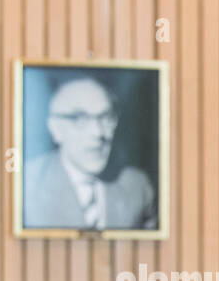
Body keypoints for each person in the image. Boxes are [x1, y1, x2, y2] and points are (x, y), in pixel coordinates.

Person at [24, 76, 156, 231]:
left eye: (106, 118)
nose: (98, 132)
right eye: (80, 119)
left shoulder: (137, 186)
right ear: (55, 128)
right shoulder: (27, 182)